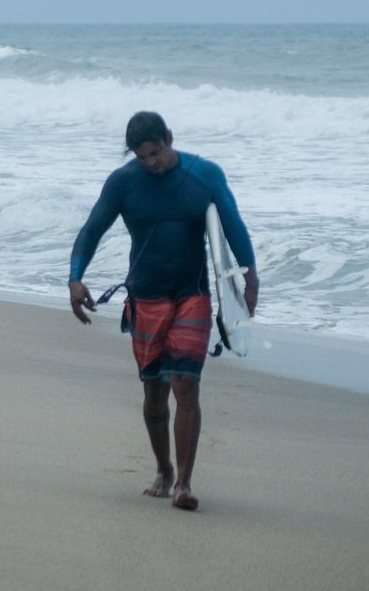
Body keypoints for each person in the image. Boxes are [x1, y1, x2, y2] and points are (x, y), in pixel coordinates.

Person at [68, 111, 257, 511]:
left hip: (193, 294)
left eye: (156, 152)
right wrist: (75, 277)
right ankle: (164, 469)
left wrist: (249, 276)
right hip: (146, 298)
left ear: (169, 138)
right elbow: (92, 229)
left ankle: (184, 484)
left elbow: (233, 225)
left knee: (185, 383)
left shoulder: (204, 174)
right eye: (143, 157)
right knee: (155, 392)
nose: (151, 162)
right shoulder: (123, 182)